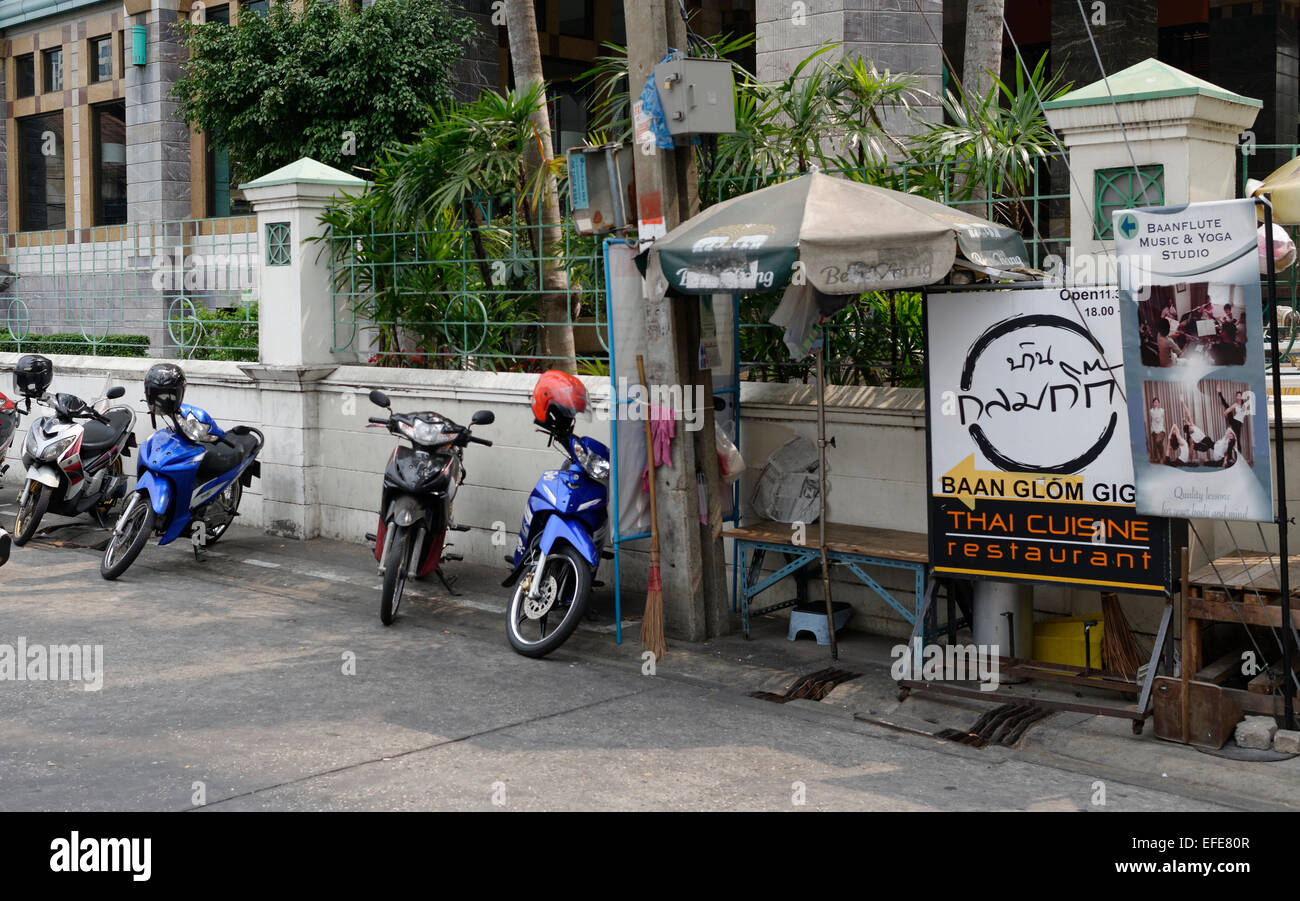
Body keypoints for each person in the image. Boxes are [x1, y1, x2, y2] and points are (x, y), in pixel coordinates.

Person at [1147, 396, 1166, 463]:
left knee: (1158, 442)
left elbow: (1158, 420)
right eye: (1155, 402)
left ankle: (1162, 457)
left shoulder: (1162, 410)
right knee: (1158, 445)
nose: (1156, 404)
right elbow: (1156, 417)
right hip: (1154, 431)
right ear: (1153, 403)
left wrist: (1158, 415)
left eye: (1157, 402)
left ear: (1159, 403)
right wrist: (1158, 415)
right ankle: (1162, 458)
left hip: (1161, 430)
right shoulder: (1151, 411)